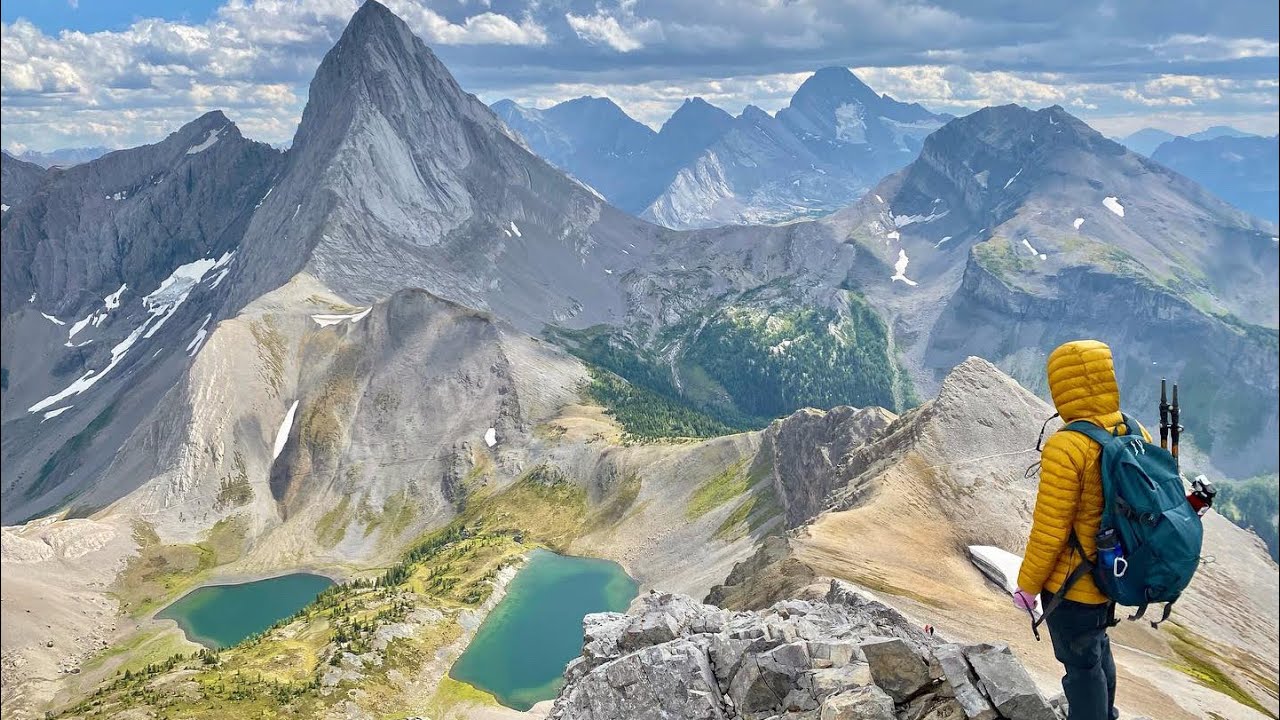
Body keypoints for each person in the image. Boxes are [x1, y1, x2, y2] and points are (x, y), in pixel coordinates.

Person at [1013, 340, 1144, 720]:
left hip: (1073, 584)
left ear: (1062, 387)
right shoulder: (1134, 431)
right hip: (1114, 572)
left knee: (1081, 667)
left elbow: (1050, 530)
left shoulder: (1067, 446)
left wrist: (1028, 586)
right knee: (1097, 648)